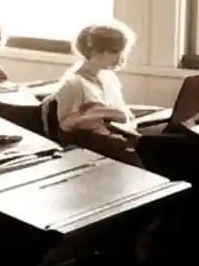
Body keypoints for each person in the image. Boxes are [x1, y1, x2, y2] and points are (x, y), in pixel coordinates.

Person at [50, 21, 141, 166]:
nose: (121, 59)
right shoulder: (74, 84)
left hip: (121, 134)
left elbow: (121, 111)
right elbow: (64, 127)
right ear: (96, 51)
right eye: (115, 52)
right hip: (96, 146)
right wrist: (96, 116)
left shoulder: (108, 77)